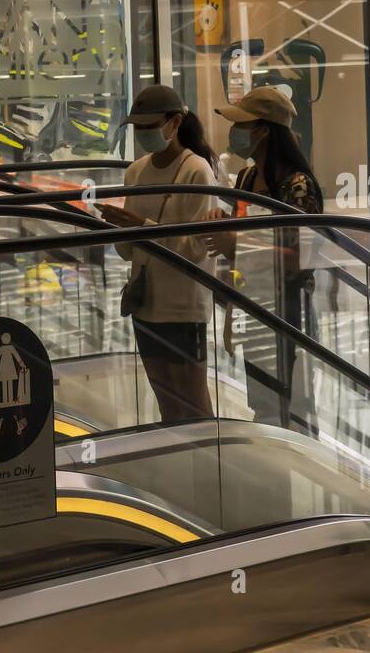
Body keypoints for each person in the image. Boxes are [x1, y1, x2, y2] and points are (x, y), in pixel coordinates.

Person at [99, 85, 220, 424]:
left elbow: (196, 249)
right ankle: (179, 466)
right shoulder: (135, 172)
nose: (144, 134)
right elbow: (128, 252)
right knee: (165, 396)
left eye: (150, 126)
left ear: (175, 122)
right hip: (146, 301)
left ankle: (207, 469)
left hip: (183, 305)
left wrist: (141, 225)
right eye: (138, 127)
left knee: (193, 401)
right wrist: (119, 228)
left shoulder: (197, 170)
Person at [207, 87, 322, 430]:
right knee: (260, 399)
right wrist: (226, 228)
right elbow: (248, 231)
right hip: (252, 300)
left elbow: (299, 257)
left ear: (265, 131)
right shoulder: (245, 176)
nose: (236, 133)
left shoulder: (297, 185)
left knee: (286, 402)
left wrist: (237, 244)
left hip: (286, 307)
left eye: (244, 124)